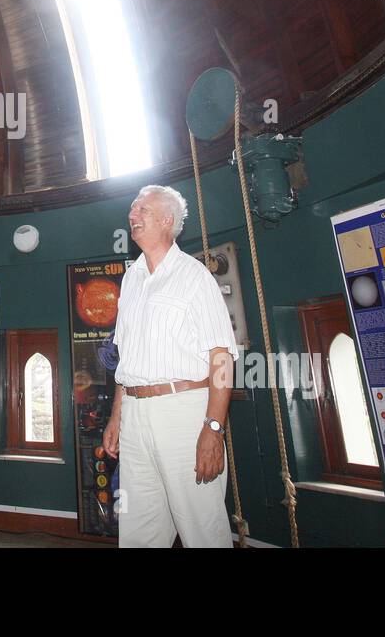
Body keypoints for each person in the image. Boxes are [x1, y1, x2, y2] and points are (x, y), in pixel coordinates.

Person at [102, 184, 239, 548]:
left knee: (202, 528)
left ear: (166, 220)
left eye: (141, 210)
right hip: (134, 415)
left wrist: (213, 428)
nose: (132, 216)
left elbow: (221, 358)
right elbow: (125, 357)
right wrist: (117, 417)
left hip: (184, 412)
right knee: (138, 530)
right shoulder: (130, 279)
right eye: (132, 210)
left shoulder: (195, 277)